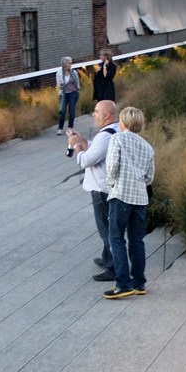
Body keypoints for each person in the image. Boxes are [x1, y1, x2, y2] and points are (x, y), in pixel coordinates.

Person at [103, 106, 155, 299]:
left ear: (123, 123)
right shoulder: (148, 147)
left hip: (121, 194)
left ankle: (123, 284)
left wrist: (111, 185)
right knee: (137, 240)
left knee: (116, 238)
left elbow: (112, 166)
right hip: (140, 198)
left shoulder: (117, 138)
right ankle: (139, 282)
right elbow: (149, 177)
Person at [66, 100, 120, 283]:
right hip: (109, 187)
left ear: (107, 115)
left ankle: (113, 267)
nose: (93, 114)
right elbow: (96, 150)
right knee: (109, 226)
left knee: (105, 229)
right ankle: (107, 258)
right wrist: (82, 140)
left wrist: (75, 145)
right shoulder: (116, 130)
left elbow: (85, 161)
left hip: (101, 189)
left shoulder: (105, 136)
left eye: (96, 112)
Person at [55, 56, 80, 134]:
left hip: (73, 93)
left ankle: (70, 127)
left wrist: (78, 89)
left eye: (70, 63)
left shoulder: (74, 72)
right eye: (69, 63)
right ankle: (60, 128)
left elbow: (77, 82)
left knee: (71, 111)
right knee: (62, 111)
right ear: (64, 64)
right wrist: (62, 85)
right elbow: (58, 86)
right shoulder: (59, 73)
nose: (70, 64)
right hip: (64, 94)